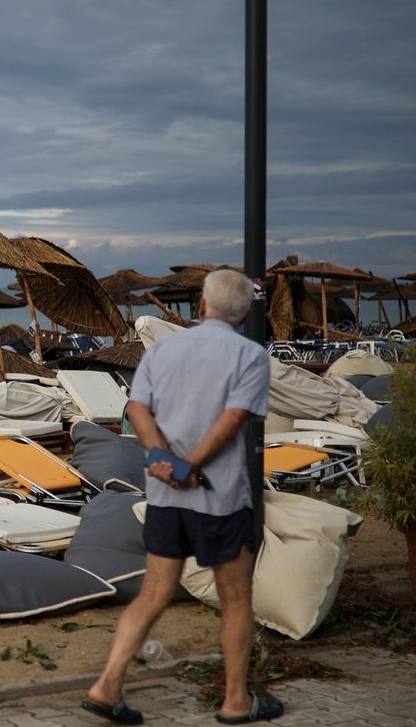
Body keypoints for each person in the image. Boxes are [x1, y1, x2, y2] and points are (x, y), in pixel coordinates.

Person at [83, 269, 283, 725]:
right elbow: (234, 418)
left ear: (201, 306)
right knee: (236, 600)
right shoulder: (250, 355)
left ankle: (107, 684)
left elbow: (137, 408)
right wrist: (189, 465)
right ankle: (235, 701)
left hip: (164, 496)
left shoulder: (164, 347)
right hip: (221, 499)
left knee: (153, 593)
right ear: (245, 313)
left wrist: (163, 458)